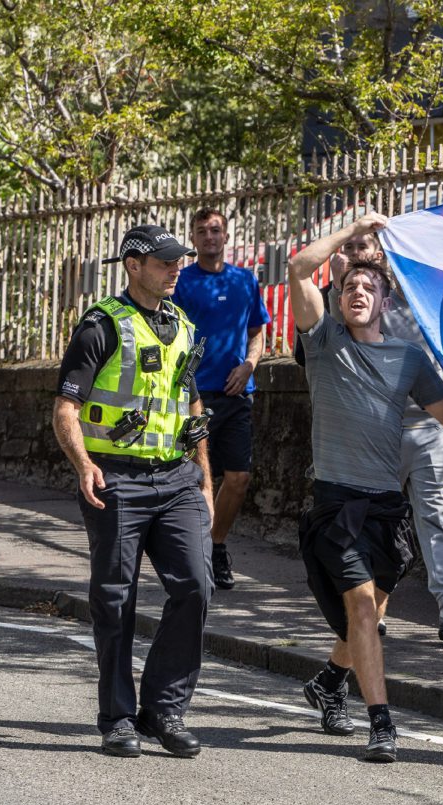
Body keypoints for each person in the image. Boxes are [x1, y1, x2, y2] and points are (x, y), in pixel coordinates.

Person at [286, 213, 443, 762]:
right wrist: (352, 231)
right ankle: (381, 723)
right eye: (348, 287)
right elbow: (297, 266)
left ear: (384, 300)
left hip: (387, 509)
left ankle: (329, 683)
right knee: (363, 609)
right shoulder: (321, 342)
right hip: (337, 505)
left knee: (372, 615)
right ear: (337, 297)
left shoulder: (408, 358)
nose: (357, 292)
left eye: (368, 287)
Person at [52, 224, 216, 758]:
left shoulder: (183, 325)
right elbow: (65, 409)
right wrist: (83, 464)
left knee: (196, 585)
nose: (176, 268)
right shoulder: (102, 325)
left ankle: (164, 710)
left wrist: (205, 478)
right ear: (134, 265)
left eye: (178, 261)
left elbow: (191, 404)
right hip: (116, 478)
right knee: (115, 599)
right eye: (165, 261)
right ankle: (118, 718)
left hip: (175, 480)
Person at [323, 230, 443, 642]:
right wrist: (334, 281)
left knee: (436, 517)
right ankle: (368, 606)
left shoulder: (417, 297)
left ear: (380, 251)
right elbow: (330, 335)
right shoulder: (347, 300)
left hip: (430, 426)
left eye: (362, 246)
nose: (355, 254)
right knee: (373, 525)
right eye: (348, 248)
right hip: (377, 435)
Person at [173, 208, 273, 590]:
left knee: (239, 477)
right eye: (202, 231)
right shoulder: (181, 282)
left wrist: (249, 365)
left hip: (236, 394)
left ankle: (215, 545)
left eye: (216, 230)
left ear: (226, 236)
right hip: (194, 395)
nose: (210, 237)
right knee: (198, 477)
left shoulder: (244, 280)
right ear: (194, 240)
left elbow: (257, 332)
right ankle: (195, 552)